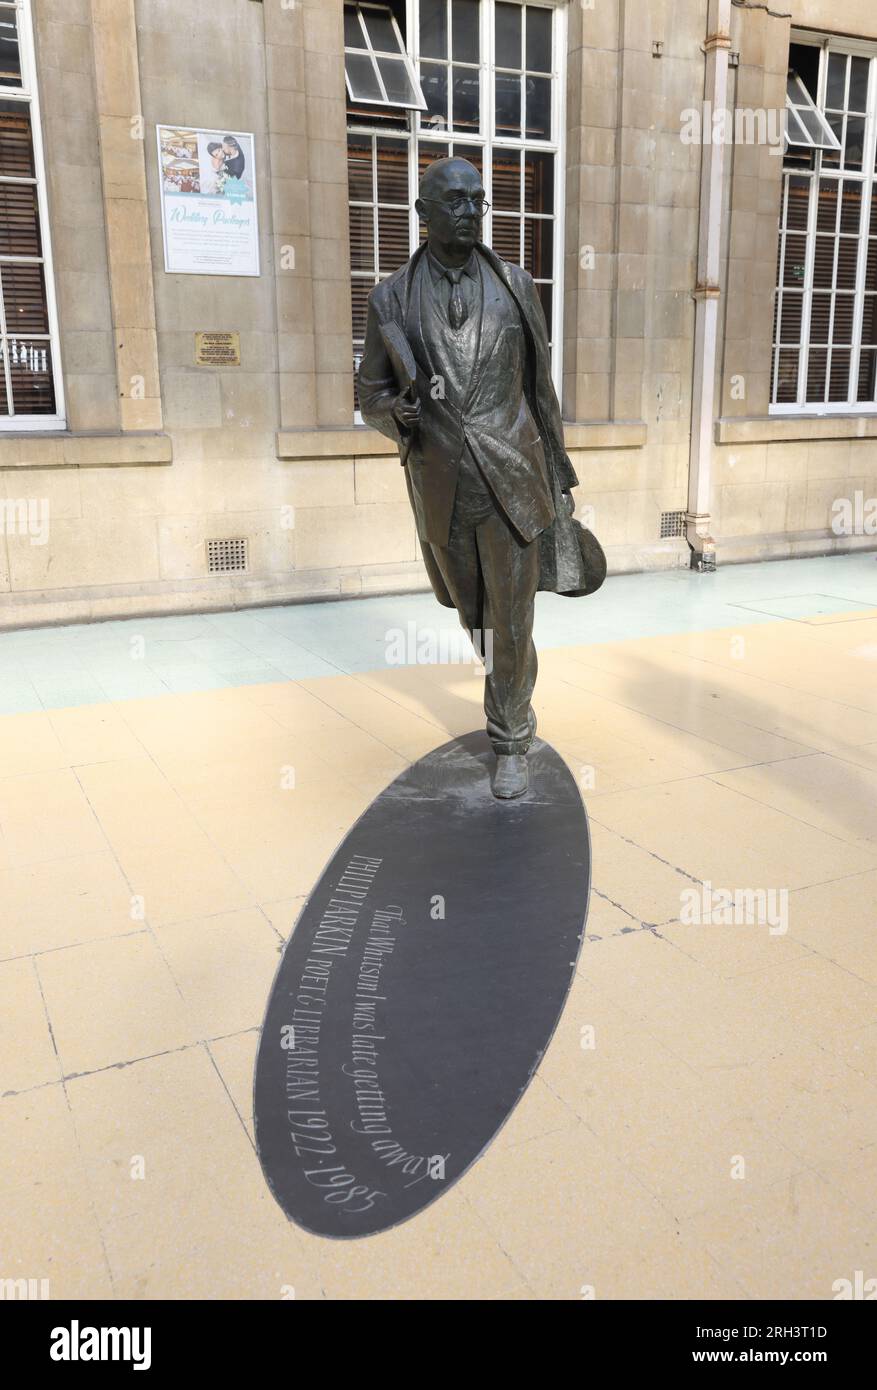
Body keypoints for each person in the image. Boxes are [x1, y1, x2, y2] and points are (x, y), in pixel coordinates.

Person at [358, 157, 596, 800]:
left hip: (514, 476)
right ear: (424, 213)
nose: (469, 212)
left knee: (513, 619)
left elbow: (540, 386)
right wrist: (391, 414)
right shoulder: (390, 297)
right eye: (455, 201)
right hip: (440, 481)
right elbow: (369, 391)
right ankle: (505, 692)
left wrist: (561, 469)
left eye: (477, 201)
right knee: (477, 615)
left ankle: (512, 736)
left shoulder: (516, 285)